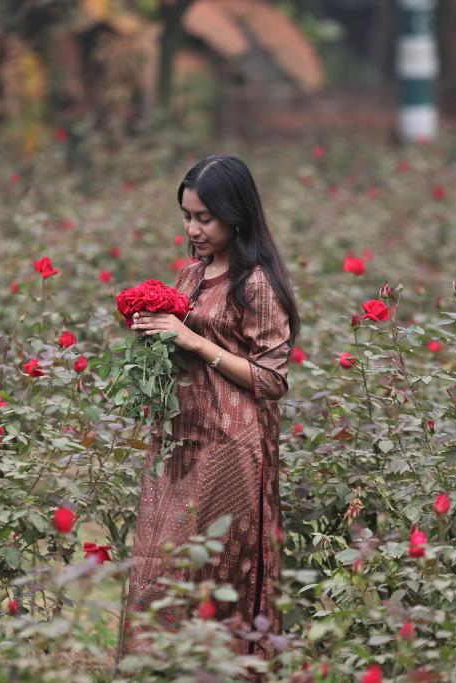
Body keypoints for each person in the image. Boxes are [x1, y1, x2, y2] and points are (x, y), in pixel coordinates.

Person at [115, 154, 301, 670]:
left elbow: (272, 379)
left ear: (236, 216)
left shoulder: (255, 283)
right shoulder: (192, 273)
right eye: (186, 216)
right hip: (181, 439)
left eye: (205, 218)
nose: (193, 229)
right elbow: (179, 343)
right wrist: (152, 336)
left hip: (229, 448)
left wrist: (194, 341)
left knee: (211, 571)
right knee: (160, 566)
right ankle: (158, 671)